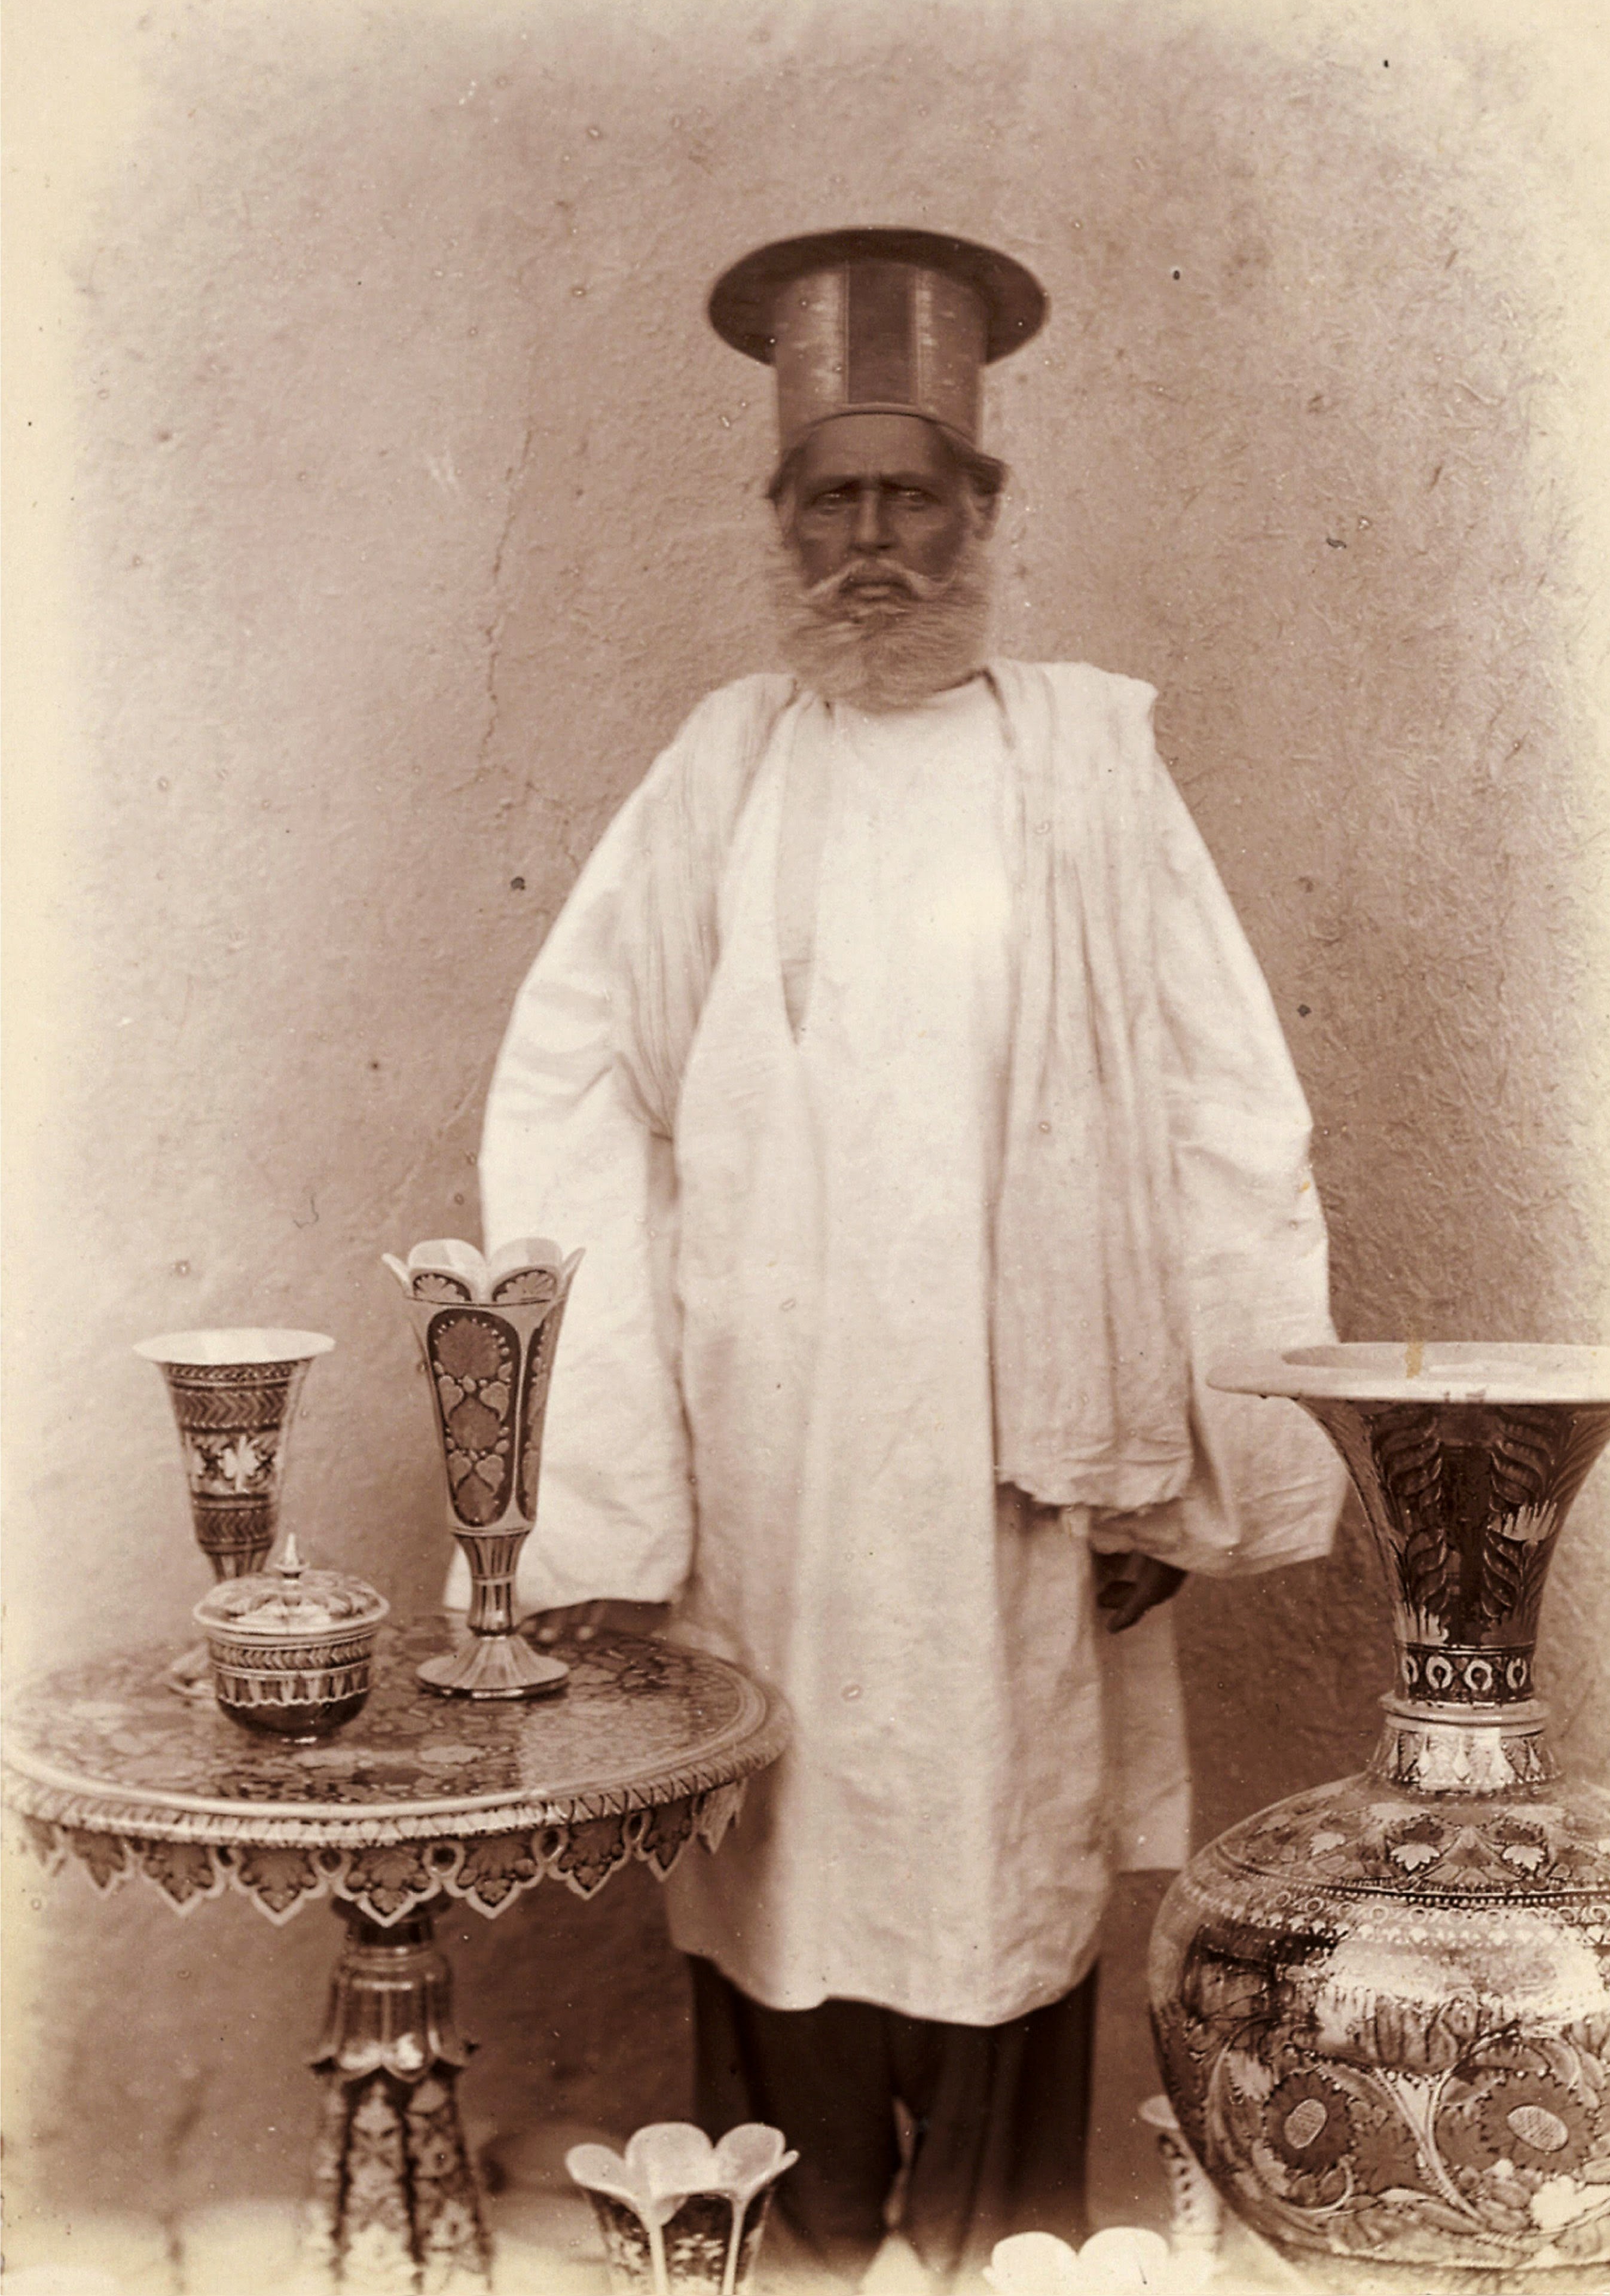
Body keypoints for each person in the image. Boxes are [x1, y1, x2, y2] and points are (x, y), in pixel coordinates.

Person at [474, 227, 1346, 2285]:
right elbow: (568, 1102)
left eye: (910, 498)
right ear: (777, 521)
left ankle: (991, 2264)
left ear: (984, 509)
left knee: (991, 1853)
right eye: (829, 501)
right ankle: (789, 2247)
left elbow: (1225, 1106)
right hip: (765, 1474)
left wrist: (1178, 1461)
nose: (870, 544)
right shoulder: (715, 774)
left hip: (1011, 1469)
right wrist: (615, 1494)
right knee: (780, 1862)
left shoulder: (1085, 769)